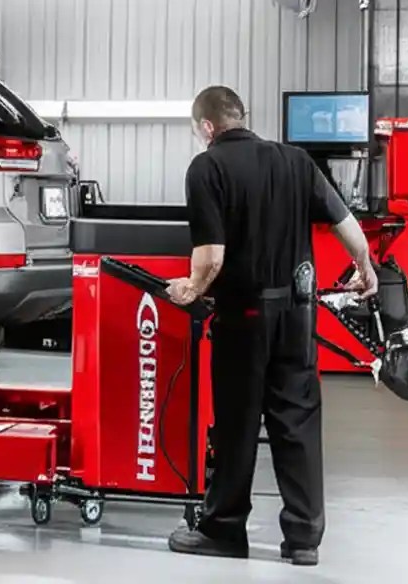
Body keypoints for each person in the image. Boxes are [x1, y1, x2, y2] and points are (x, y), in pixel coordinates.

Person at [164, 85, 378, 567]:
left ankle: (223, 530)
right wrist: (364, 265)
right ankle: (304, 538)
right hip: (297, 316)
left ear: (206, 127)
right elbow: (344, 220)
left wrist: (192, 289)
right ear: (243, 117)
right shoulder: (296, 160)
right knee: (297, 420)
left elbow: (211, 256)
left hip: (244, 316)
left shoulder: (207, 167)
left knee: (239, 423)